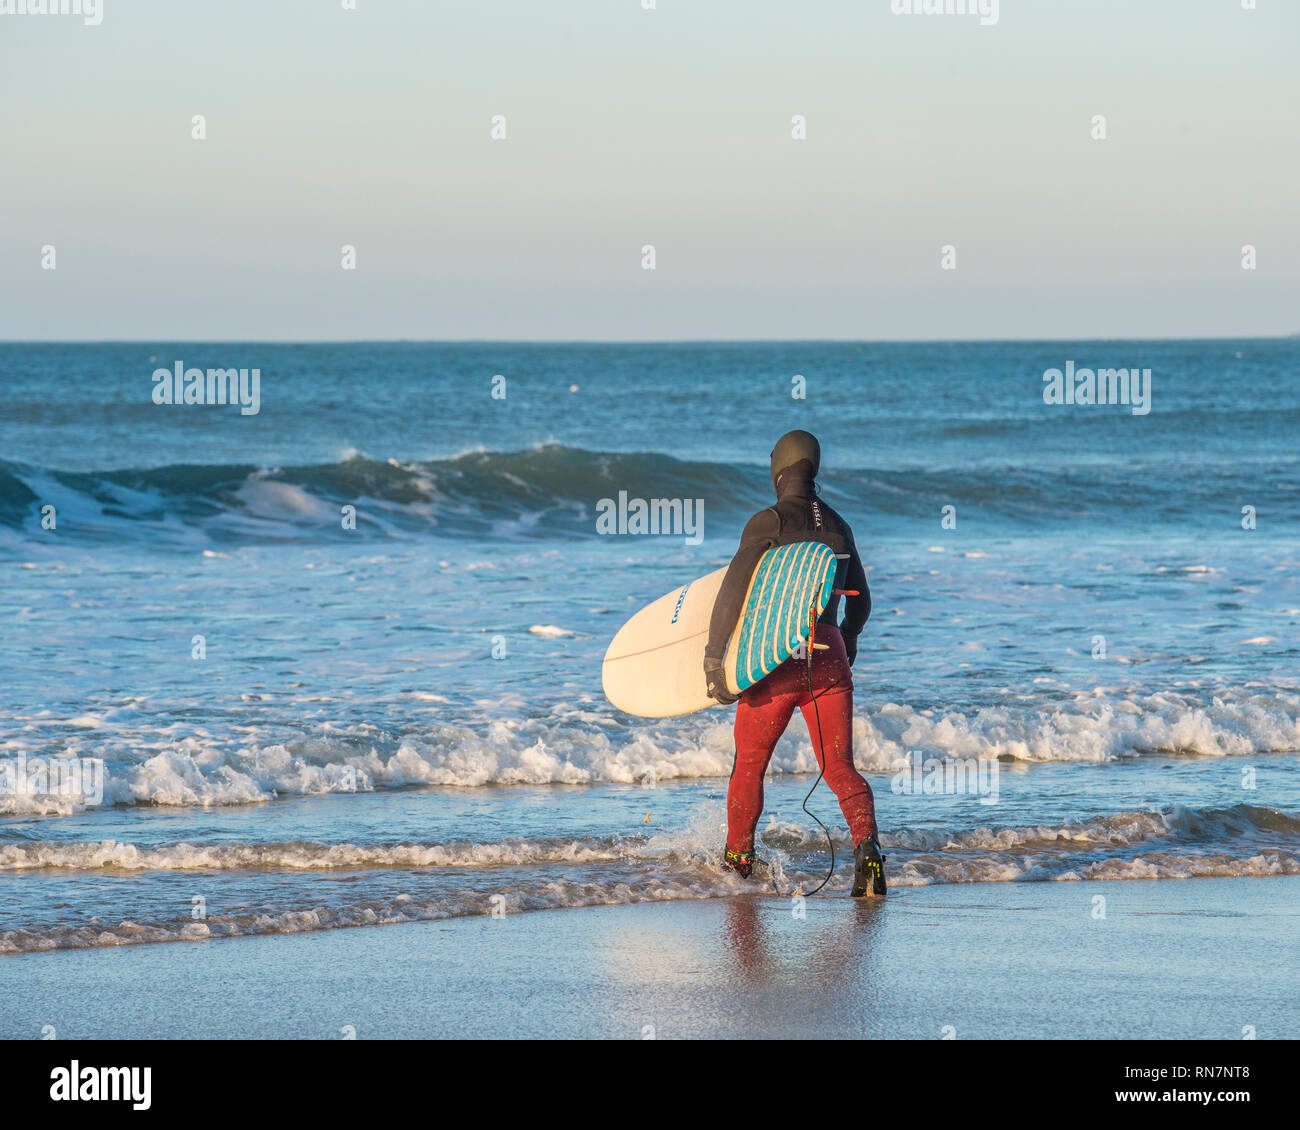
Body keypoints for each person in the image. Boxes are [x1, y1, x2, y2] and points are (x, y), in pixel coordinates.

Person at [703, 430, 886, 897]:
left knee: (750, 766)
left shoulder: (768, 522)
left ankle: (739, 865)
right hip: (828, 657)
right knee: (839, 767)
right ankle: (869, 855)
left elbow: (731, 595)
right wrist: (846, 641)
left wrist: (714, 662)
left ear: (777, 468)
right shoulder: (840, 527)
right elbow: (860, 602)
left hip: (778, 655)